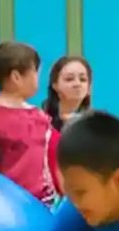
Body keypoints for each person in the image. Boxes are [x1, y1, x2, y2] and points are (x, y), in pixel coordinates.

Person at [0, 41, 56, 205]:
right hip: (6, 203)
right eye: (35, 73)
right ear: (16, 77)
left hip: (41, 202)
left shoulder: (39, 116)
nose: (38, 80)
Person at [41, 55, 94, 204]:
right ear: (55, 85)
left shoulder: (95, 127)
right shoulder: (41, 123)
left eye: (83, 79)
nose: (77, 84)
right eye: (69, 79)